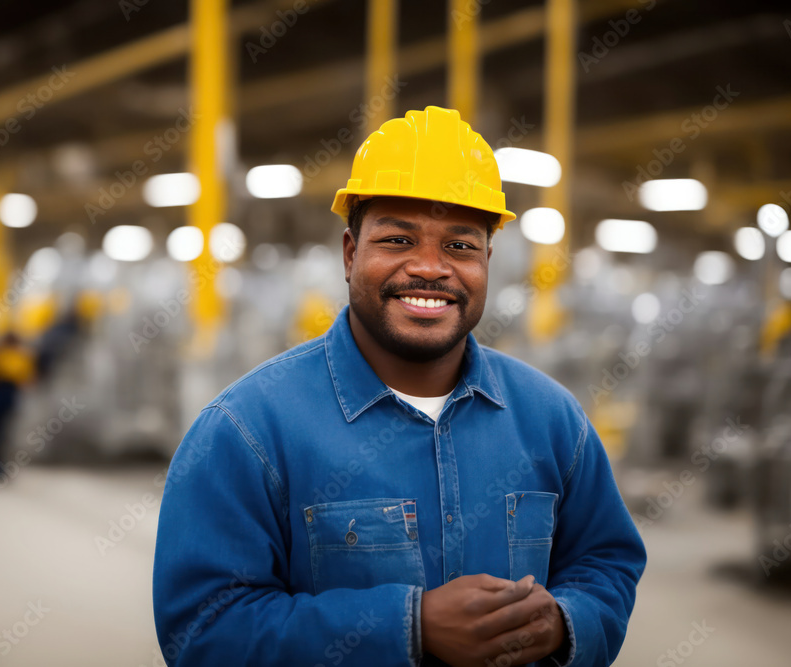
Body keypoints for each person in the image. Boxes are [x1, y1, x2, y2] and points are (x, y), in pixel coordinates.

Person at [153, 106, 646, 666]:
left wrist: (563, 622)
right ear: (349, 254)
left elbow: (606, 562)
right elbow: (203, 631)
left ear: (488, 260)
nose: (431, 268)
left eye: (460, 246)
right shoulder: (246, 431)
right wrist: (407, 628)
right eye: (397, 240)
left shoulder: (553, 419)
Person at [0, 331, 35, 476]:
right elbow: (27, 380)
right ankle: (0, 466)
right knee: (4, 433)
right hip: (10, 395)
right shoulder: (22, 356)